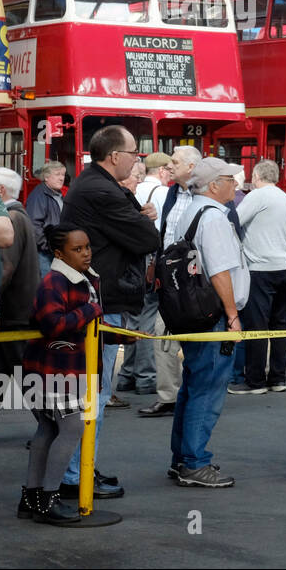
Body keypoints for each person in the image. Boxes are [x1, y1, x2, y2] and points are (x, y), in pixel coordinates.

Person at [58, 125, 160, 499]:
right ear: (115, 156)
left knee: (90, 394)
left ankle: (80, 469)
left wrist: (140, 214)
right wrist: (144, 220)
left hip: (95, 301)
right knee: (94, 396)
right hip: (98, 305)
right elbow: (148, 238)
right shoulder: (101, 190)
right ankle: (75, 477)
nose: (137, 159)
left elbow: (138, 228)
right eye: (134, 153)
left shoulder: (97, 185)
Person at [169, 157, 249, 486]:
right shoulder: (214, 217)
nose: (236, 185)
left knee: (192, 386)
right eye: (230, 179)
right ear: (214, 185)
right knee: (208, 389)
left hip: (193, 313)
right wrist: (233, 315)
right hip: (213, 315)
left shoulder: (191, 210)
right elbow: (219, 272)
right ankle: (194, 462)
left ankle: (183, 458)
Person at [19, 226, 103, 525]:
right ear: (59, 254)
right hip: (54, 372)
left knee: (48, 428)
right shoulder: (55, 281)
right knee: (70, 428)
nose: (86, 253)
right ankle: (48, 498)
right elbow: (53, 324)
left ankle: (32, 498)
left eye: (87, 247)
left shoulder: (81, 278)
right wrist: (91, 310)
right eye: (77, 249)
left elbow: (85, 326)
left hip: (55, 370)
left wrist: (120, 336)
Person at [139, 144, 201, 418]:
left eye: (174, 162)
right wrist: (156, 262)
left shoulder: (206, 193)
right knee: (161, 335)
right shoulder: (173, 193)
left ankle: (196, 396)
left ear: (191, 167)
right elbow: (166, 232)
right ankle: (168, 397)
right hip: (170, 278)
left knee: (198, 341)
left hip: (197, 280)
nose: (168, 166)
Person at [228, 160, 286, 394]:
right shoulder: (284, 197)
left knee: (257, 325)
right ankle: (278, 378)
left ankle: (255, 380)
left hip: (259, 267)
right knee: (279, 326)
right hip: (284, 265)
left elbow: (234, 221)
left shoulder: (257, 196)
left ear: (256, 176)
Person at [116, 155, 167, 396]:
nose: (138, 181)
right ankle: (145, 377)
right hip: (141, 266)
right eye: (135, 177)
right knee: (146, 321)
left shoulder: (127, 198)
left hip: (129, 269)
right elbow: (150, 238)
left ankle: (127, 375)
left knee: (133, 322)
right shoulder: (135, 200)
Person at [0, 168, 37, 422]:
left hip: (13, 313)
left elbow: (5, 268)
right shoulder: (18, 215)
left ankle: (52, 427)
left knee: (27, 378)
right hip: (16, 312)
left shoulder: (11, 218)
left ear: (0, 190)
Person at [26, 161, 66, 278]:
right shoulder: (39, 195)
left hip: (56, 249)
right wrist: (46, 246)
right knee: (48, 283)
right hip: (44, 253)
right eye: (57, 174)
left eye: (63, 174)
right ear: (46, 177)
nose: (61, 178)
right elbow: (34, 225)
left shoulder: (57, 194)